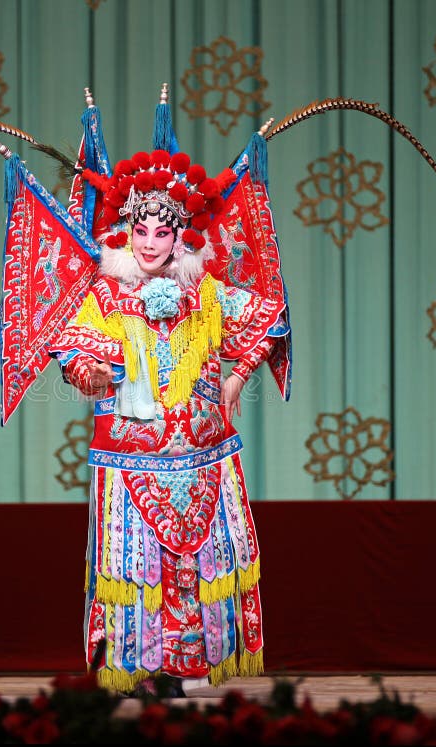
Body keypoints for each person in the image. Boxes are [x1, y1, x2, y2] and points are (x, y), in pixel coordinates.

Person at [49, 148, 287, 694]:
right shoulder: (106, 293)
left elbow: (269, 319)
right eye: (141, 230)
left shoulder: (204, 292)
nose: (150, 242)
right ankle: (138, 668)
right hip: (131, 459)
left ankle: (187, 667)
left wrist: (237, 376)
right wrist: (89, 373)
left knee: (194, 564)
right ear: (128, 233)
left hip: (201, 455)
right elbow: (76, 352)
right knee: (137, 568)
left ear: (181, 236)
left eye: (162, 231)